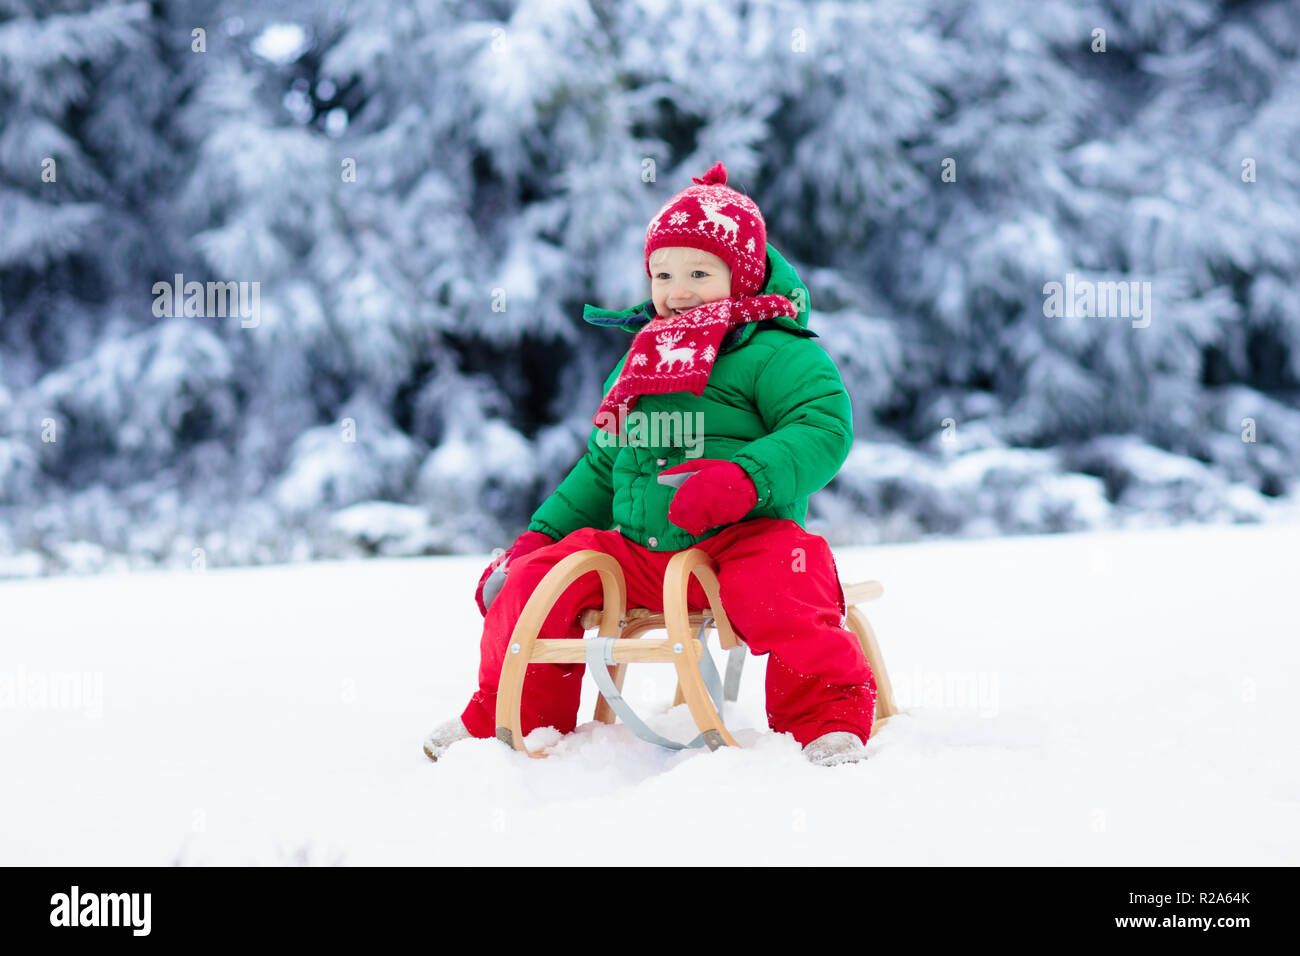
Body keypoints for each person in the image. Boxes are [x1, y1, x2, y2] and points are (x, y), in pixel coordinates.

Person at [424, 161, 876, 766]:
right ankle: (513, 720)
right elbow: (603, 464)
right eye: (663, 273)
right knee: (538, 582)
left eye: (698, 271)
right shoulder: (642, 357)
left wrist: (745, 479)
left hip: (744, 535)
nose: (678, 289)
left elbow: (822, 429)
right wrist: (541, 535)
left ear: (740, 275)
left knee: (787, 580)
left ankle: (828, 717)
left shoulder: (777, 350)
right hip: (642, 550)